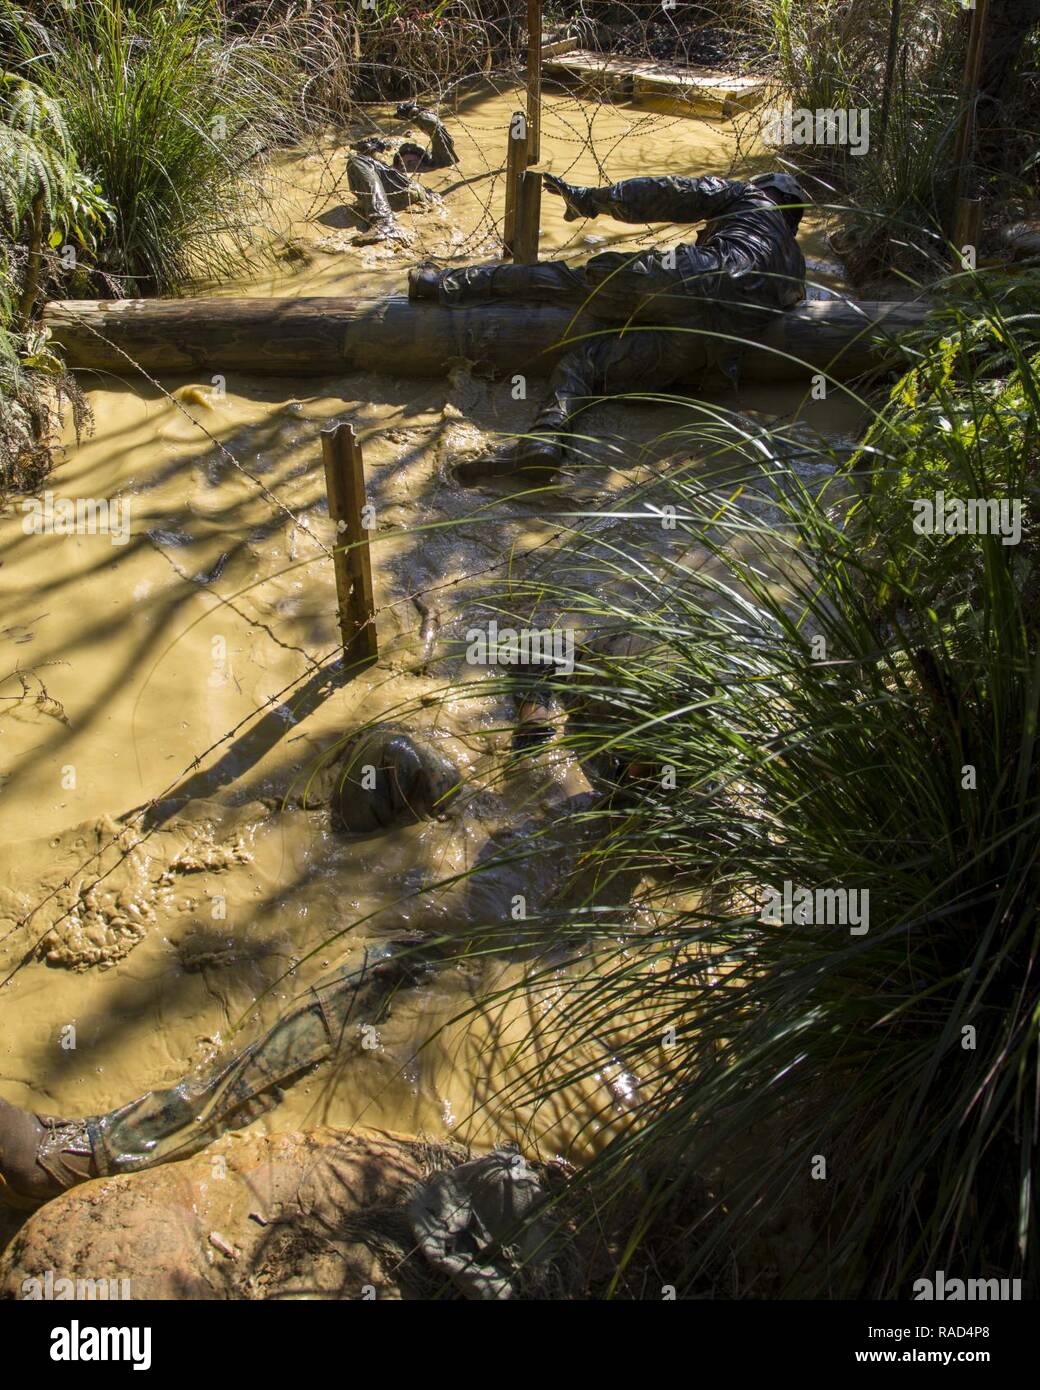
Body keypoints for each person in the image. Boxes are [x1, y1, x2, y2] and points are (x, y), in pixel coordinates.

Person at [408, 171, 808, 481]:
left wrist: (590, 200)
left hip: (686, 277)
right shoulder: (796, 266)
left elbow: (665, 193)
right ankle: (543, 443)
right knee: (587, 364)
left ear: (765, 190)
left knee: (570, 282)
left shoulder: (746, 196)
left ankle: (442, 284)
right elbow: (789, 305)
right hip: (711, 348)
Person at [347, 102, 458, 242]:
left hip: (416, 191)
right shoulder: (394, 173)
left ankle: (385, 223)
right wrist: (371, 151)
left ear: (424, 159)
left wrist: (417, 114)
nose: (408, 163)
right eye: (403, 160)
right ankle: (383, 221)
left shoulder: (436, 166)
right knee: (359, 160)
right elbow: (373, 174)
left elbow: (439, 133)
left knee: (357, 160)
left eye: (413, 160)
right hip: (396, 192)